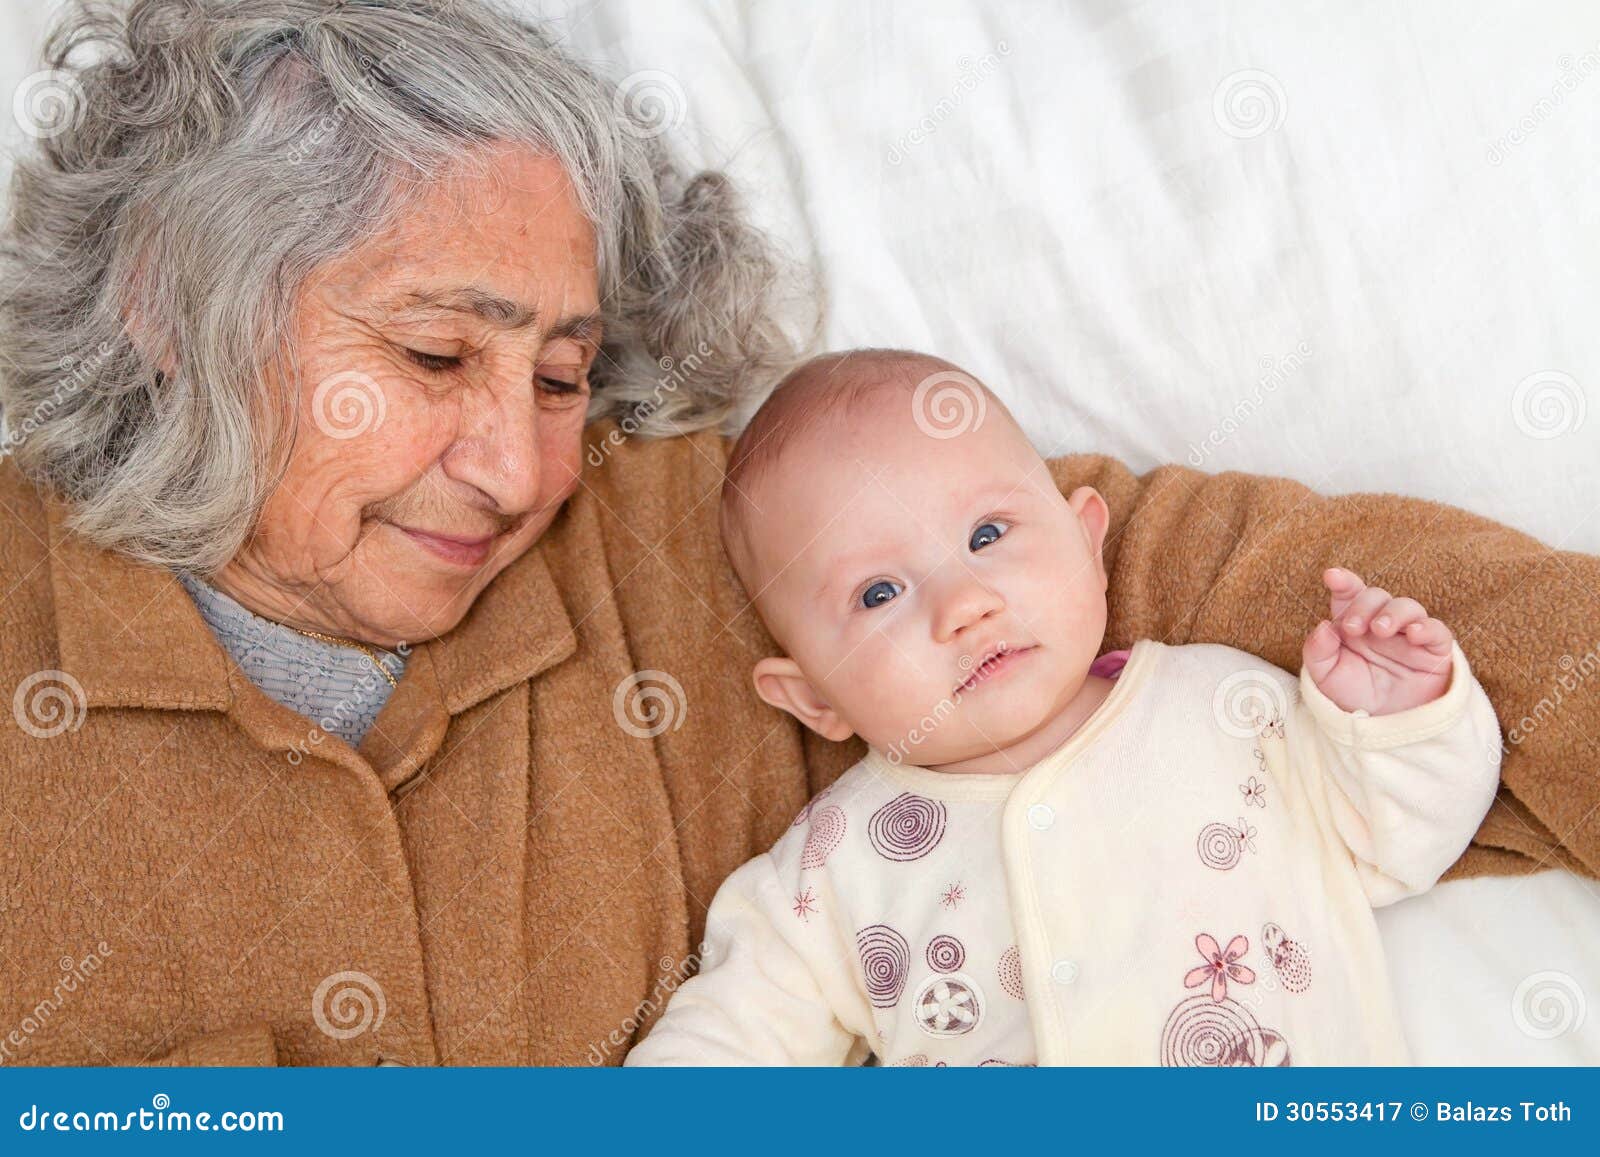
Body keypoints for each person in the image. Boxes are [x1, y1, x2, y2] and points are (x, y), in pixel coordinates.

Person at [0, 1, 1591, 1067]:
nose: (509, 464)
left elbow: (1178, 572)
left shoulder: (729, 536)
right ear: (170, 302)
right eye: (431, 357)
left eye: (560, 374)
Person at [627, 349, 1501, 1065]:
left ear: (1089, 541)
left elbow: (1407, 833)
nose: (962, 604)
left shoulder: (1225, 707)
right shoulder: (831, 865)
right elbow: (729, 1041)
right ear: (813, 695)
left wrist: (1400, 717)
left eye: (986, 536)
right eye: (880, 592)